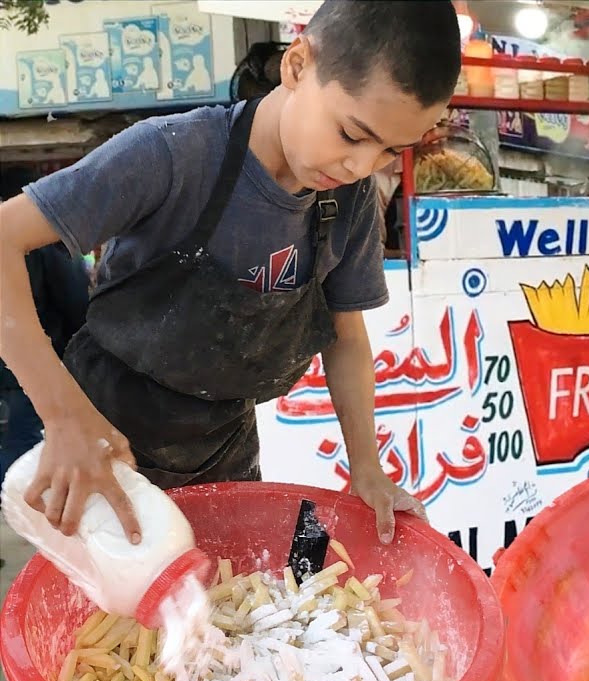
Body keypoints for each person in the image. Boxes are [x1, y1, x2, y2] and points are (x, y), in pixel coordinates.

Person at [0, 0, 461, 546]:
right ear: (297, 65)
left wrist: (367, 466)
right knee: (110, 623)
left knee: (227, 612)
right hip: (105, 450)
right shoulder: (173, 155)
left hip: (226, 449)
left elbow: (346, 337)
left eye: (390, 150)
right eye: (351, 133)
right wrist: (64, 418)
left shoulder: (350, 200)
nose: (360, 166)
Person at [0, 170, 90, 481]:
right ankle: (19, 509)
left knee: (20, 430)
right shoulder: (43, 242)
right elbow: (74, 297)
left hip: (10, 354)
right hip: (29, 354)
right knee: (27, 434)